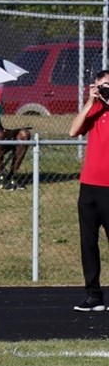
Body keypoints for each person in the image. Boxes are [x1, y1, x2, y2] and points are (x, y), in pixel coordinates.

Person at [68, 70, 109, 312]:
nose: (105, 89)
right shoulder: (94, 110)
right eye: (101, 85)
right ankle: (93, 295)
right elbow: (73, 131)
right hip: (89, 187)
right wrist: (91, 101)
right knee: (88, 243)